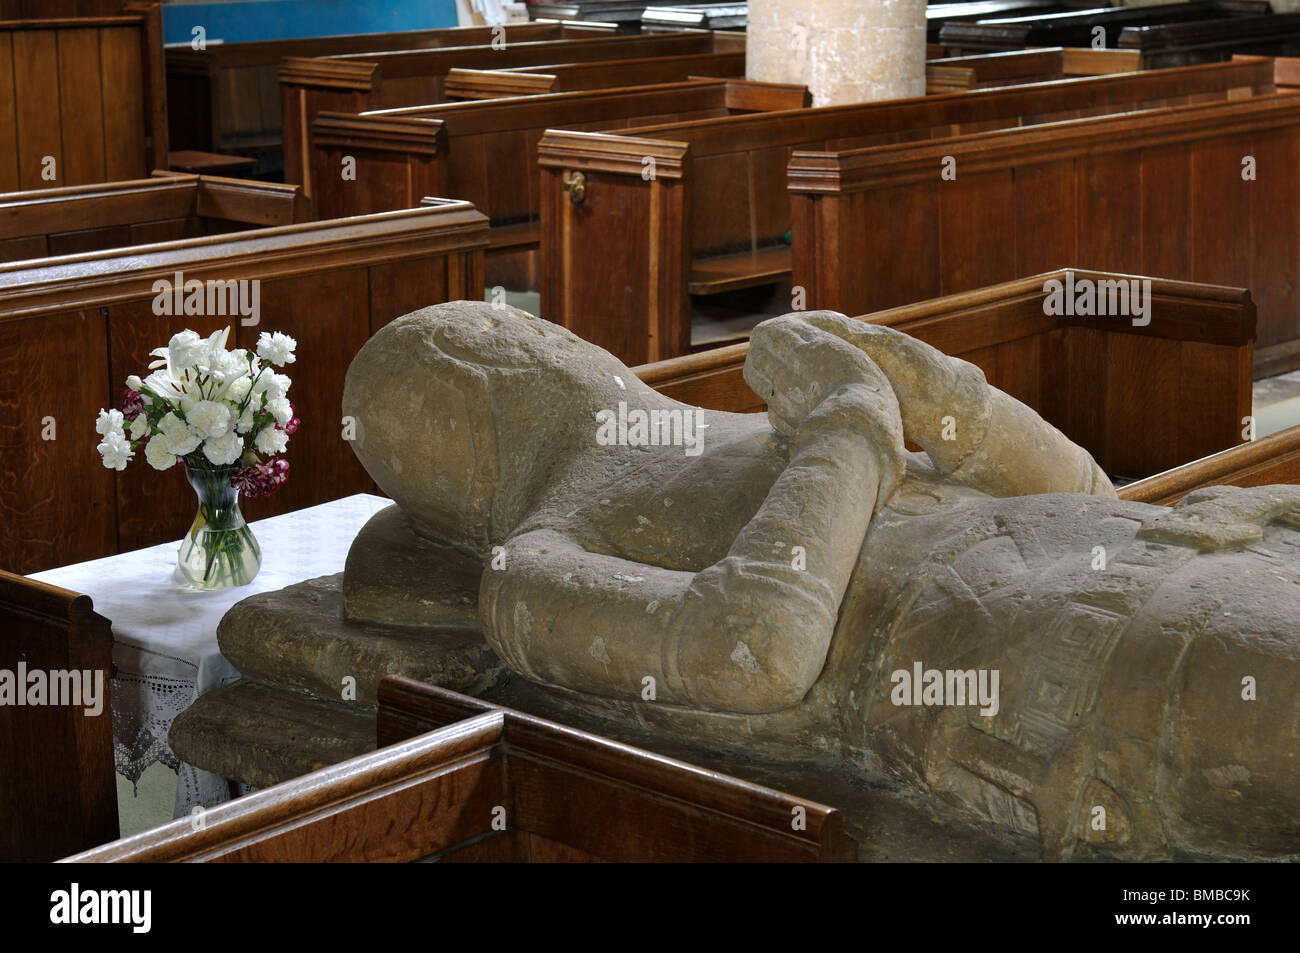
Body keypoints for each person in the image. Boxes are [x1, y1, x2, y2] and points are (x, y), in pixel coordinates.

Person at [342, 301, 1300, 860]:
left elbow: (1088, 492)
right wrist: (849, 420)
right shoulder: (532, 569)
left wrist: (940, 396)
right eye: (453, 382)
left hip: (1168, 551)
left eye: (504, 334)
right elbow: (753, 649)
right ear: (443, 491)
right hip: (1050, 661)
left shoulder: (708, 423)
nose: (508, 355)